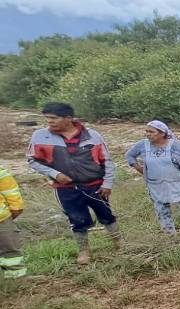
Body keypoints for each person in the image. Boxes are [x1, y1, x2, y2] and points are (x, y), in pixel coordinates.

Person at [27, 102, 120, 265]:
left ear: (68, 118)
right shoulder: (40, 136)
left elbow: (107, 160)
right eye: (47, 118)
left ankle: (118, 243)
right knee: (76, 218)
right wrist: (55, 174)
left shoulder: (92, 135)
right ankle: (84, 250)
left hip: (95, 185)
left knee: (106, 215)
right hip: (65, 188)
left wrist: (107, 183)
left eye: (53, 118)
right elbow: (32, 161)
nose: (49, 122)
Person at [126, 121, 180, 236]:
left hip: (178, 183)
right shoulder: (142, 145)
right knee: (161, 208)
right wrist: (140, 169)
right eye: (146, 131)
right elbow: (129, 155)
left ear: (162, 134)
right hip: (155, 184)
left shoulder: (177, 146)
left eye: (151, 132)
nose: (148, 134)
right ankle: (169, 233)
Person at [0, 167, 25, 278]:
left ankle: (16, 276)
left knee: (10, 248)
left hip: (2, 218)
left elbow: (10, 191)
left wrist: (16, 208)